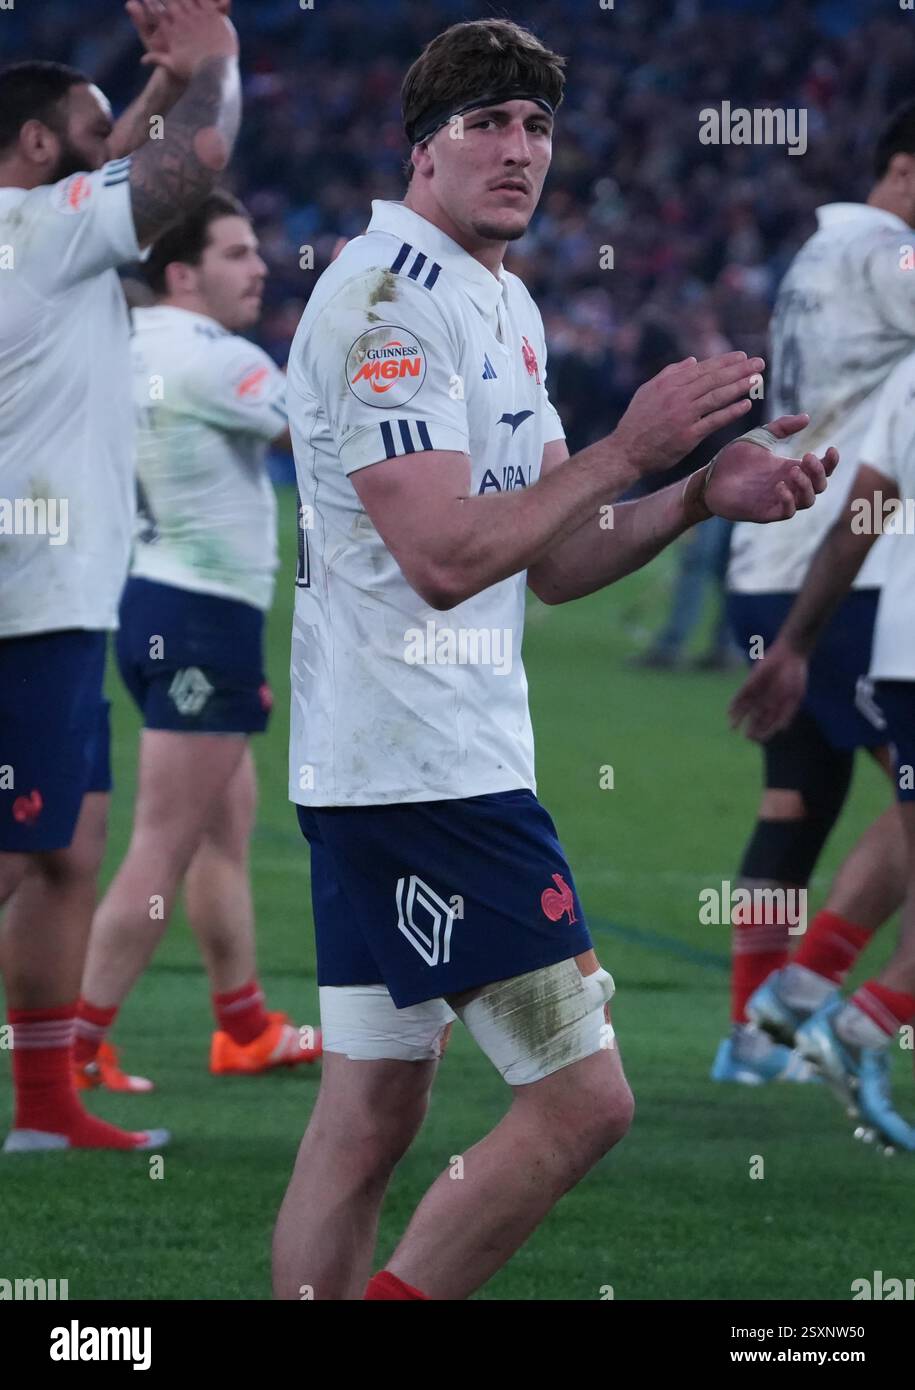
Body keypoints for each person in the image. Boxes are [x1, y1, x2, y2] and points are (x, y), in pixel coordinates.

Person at [271, 18, 837, 1300]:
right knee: (586, 1103)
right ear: (423, 152)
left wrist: (694, 493)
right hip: (428, 778)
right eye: (488, 124)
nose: (521, 150)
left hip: (402, 764)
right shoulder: (383, 302)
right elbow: (444, 554)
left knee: (366, 1125)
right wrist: (633, 448)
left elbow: (556, 555)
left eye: (536, 125)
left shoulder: (500, 300)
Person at [0, 0, 242, 1152]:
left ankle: (45, 1109)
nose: (129, 120)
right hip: (29, 596)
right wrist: (213, 69)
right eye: (102, 119)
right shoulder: (45, 228)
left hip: (62, 588)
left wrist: (149, 89)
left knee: (66, 853)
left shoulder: (33, 221)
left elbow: (126, 156)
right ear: (42, 150)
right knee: (18, 846)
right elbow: (191, 166)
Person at [73, 192, 321, 1095]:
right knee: (165, 842)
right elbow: (327, 443)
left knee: (222, 831)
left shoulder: (128, 347)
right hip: (201, 620)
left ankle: (243, 1026)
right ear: (183, 272)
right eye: (237, 253)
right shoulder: (217, 360)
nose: (259, 268)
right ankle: (76, 1040)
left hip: (153, 602)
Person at [711, 102, 915, 1086]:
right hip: (844, 571)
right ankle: (827, 1010)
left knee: (799, 798)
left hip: (768, 563)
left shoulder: (815, 259)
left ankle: (752, 1034)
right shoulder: (887, 255)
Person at [730, 350, 915, 1151]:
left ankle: (797, 997)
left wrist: (796, 642)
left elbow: (863, 514)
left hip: (901, 650)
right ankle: (864, 1027)